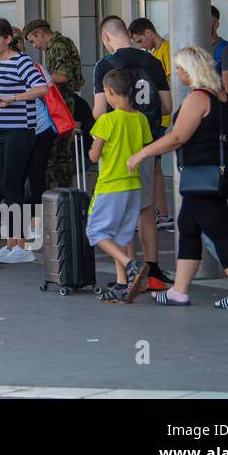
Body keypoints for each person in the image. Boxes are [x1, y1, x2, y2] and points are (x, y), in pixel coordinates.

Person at [128, 47, 228, 309]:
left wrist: (143, 152)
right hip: (215, 172)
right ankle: (179, 290)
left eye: (179, 69)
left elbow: (178, 136)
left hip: (203, 175)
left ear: (190, 70)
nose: (176, 73)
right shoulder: (221, 95)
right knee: (188, 228)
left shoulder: (198, 98)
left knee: (219, 232)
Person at [93, 15, 173, 290]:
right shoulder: (152, 61)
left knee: (123, 211)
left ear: (106, 38)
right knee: (145, 207)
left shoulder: (105, 66)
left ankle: (128, 271)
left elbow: (100, 111)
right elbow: (166, 106)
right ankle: (152, 269)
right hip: (146, 143)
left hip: (115, 150)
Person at [87, 69, 153, 303]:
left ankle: (130, 265)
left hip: (110, 186)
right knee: (121, 237)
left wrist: (92, 148)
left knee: (96, 232)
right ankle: (122, 284)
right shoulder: (141, 119)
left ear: (109, 92)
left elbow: (94, 157)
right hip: (133, 186)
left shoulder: (107, 120)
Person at [0, 17, 48, 261]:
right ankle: (13, 243)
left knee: (12, 185)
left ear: (8, 39)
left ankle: (21, 245)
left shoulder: (22, 61)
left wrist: (13, 97)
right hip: (3, 129)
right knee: (8, 184)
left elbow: (42, 88)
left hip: (21, 130)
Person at [22, 20, 83, 190]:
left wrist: (37, 79)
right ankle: (63, 195)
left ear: (40, 33)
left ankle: (50, 197)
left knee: (52, 152)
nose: (34, 46)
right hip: (62, 103)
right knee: (61, 154)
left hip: (59, 105)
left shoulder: (58, 46)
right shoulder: (61, 43)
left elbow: (63, 76)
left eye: (33, 41)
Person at [128, 17, 174, 230]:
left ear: (148, 32)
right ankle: (161, 212)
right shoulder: (155, 55)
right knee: (154, 166)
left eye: (140, 40)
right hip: (158, 116)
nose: (140, 45)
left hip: (160, 117)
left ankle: (161, 212)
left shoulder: (165, 52)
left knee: (152, 166)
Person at [210, 6, 228, 101]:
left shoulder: (226, 50)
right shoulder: (198, 48)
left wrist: (224, 112)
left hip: (218, 109)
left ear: (216, 24)